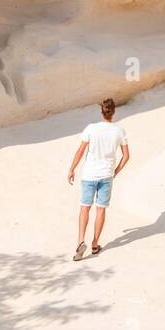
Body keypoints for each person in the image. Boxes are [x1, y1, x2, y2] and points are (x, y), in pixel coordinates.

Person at [68, 98, 129, 259]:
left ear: (101, 111)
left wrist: (71, 169)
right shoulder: (119, 131)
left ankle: (81, 242)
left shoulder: (91, 128)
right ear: (113, 112)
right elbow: (126, 156)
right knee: (101, 209)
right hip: (106, 175)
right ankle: (95, 244)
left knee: (84, 208)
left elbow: (80, 151)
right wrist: (115, 171)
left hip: (89, 174)